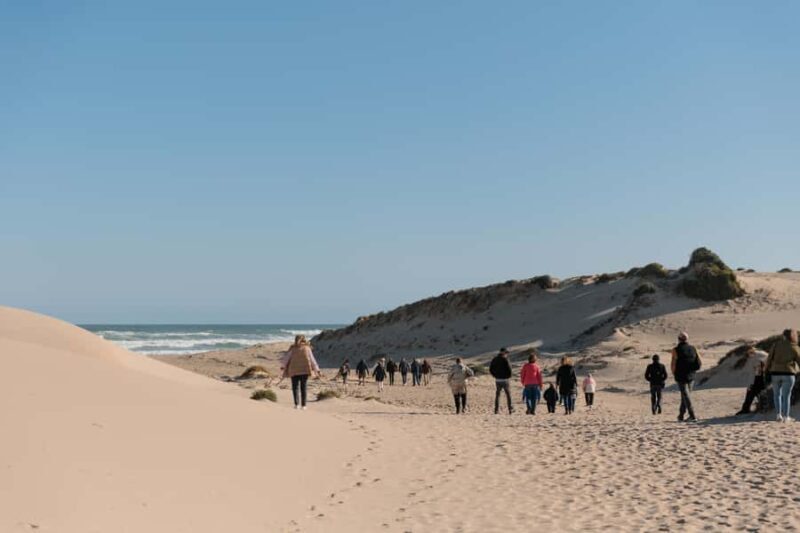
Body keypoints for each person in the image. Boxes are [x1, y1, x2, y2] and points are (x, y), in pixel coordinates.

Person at [765, 329, 800, 422]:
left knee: (776, 395)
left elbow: (769, 359)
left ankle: (778, 415)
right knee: (786, 396)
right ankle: (786, 416)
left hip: (775, 373)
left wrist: (766, 370)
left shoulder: (775, 345)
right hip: (788, 373)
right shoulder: (794, 347)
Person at [282, 335, 321, 410]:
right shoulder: (307, 348)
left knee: (295, 387)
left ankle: (297, 404)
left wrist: (283, 366)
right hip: (304, 370)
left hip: (294, 370)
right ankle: (304, 405)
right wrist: (317, 369)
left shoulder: (293, 348)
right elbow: (312, 359)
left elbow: (286, 358)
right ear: (304, 340)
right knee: (303, 388)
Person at [671, 331, 702, 422]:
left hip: (681, 375)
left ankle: (692, 415)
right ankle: (681, 415)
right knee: (686, 395)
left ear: (679, 339)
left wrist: (674, 374)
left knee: (685, 395)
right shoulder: (693, 348)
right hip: (691, 375)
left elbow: (673, 364)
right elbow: (699, 362)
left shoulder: (675, 350)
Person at [489, 348, 514, 414]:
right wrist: (509, 376)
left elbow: (491, 369)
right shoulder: (505, 359)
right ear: (503, 352)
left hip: (498, 379)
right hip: (505, 379)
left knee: (498, 395)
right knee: (508, 394)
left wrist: (494, 375)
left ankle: (496, 410)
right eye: (506, 353)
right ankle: (510, 409)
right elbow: (509, 369)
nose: (507, 354)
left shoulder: (495, 359)